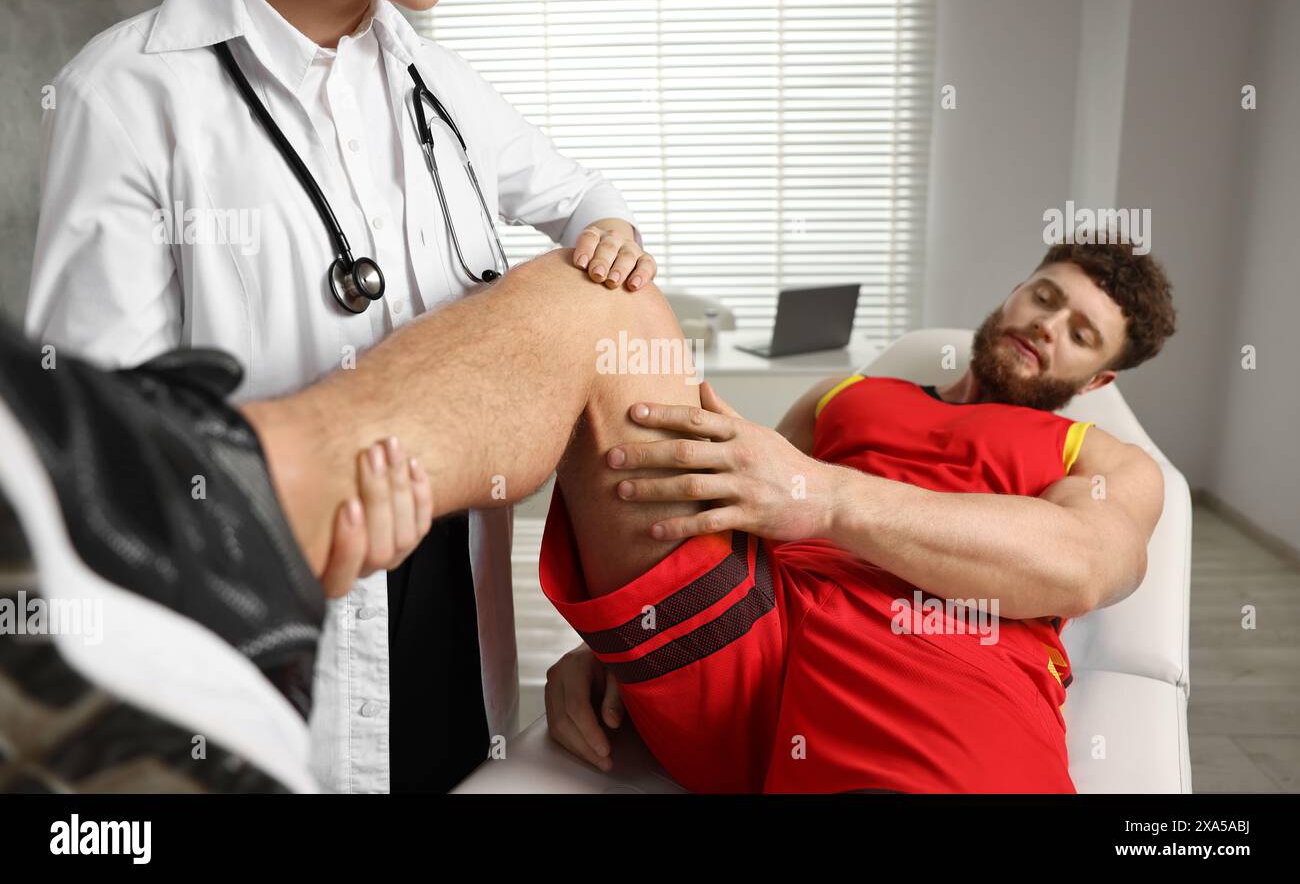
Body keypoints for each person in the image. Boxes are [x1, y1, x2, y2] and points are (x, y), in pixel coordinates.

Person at [2, 237, 1174, 792]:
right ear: (1014, 284)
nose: (1046, 328)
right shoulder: (850, 398)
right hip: (748, 655)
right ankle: (233, 522)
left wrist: (818, 494)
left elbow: (1082, 563)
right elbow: (723, 495)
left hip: (935, 689)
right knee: (600, 303)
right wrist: (609, 645)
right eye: (1044, 296)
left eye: (1080, 333)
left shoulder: (1103, 459)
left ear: (1103, 375)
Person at [24, 0, 657, 793]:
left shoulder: (434, 80)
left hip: (462, 642)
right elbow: (100, 462)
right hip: (291, 645)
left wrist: (609, 234)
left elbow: (583, 194)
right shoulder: (128, 96)